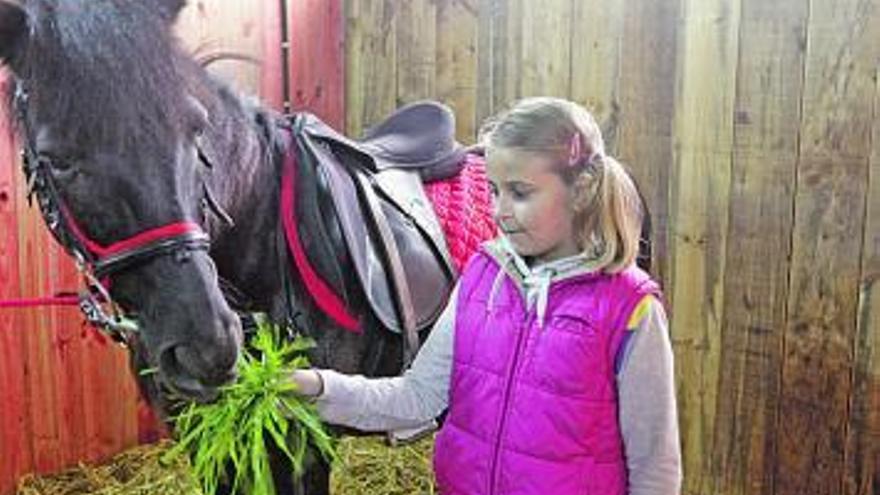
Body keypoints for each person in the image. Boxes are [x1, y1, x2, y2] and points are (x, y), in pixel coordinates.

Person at [291, 97, 682, 495]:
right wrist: (319, 387)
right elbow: (418, 397)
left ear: (581, 190)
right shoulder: (480, 277)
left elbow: (655, 469)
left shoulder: (631, 309)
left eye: (521, 193)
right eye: (494, 191)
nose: (500, 211)